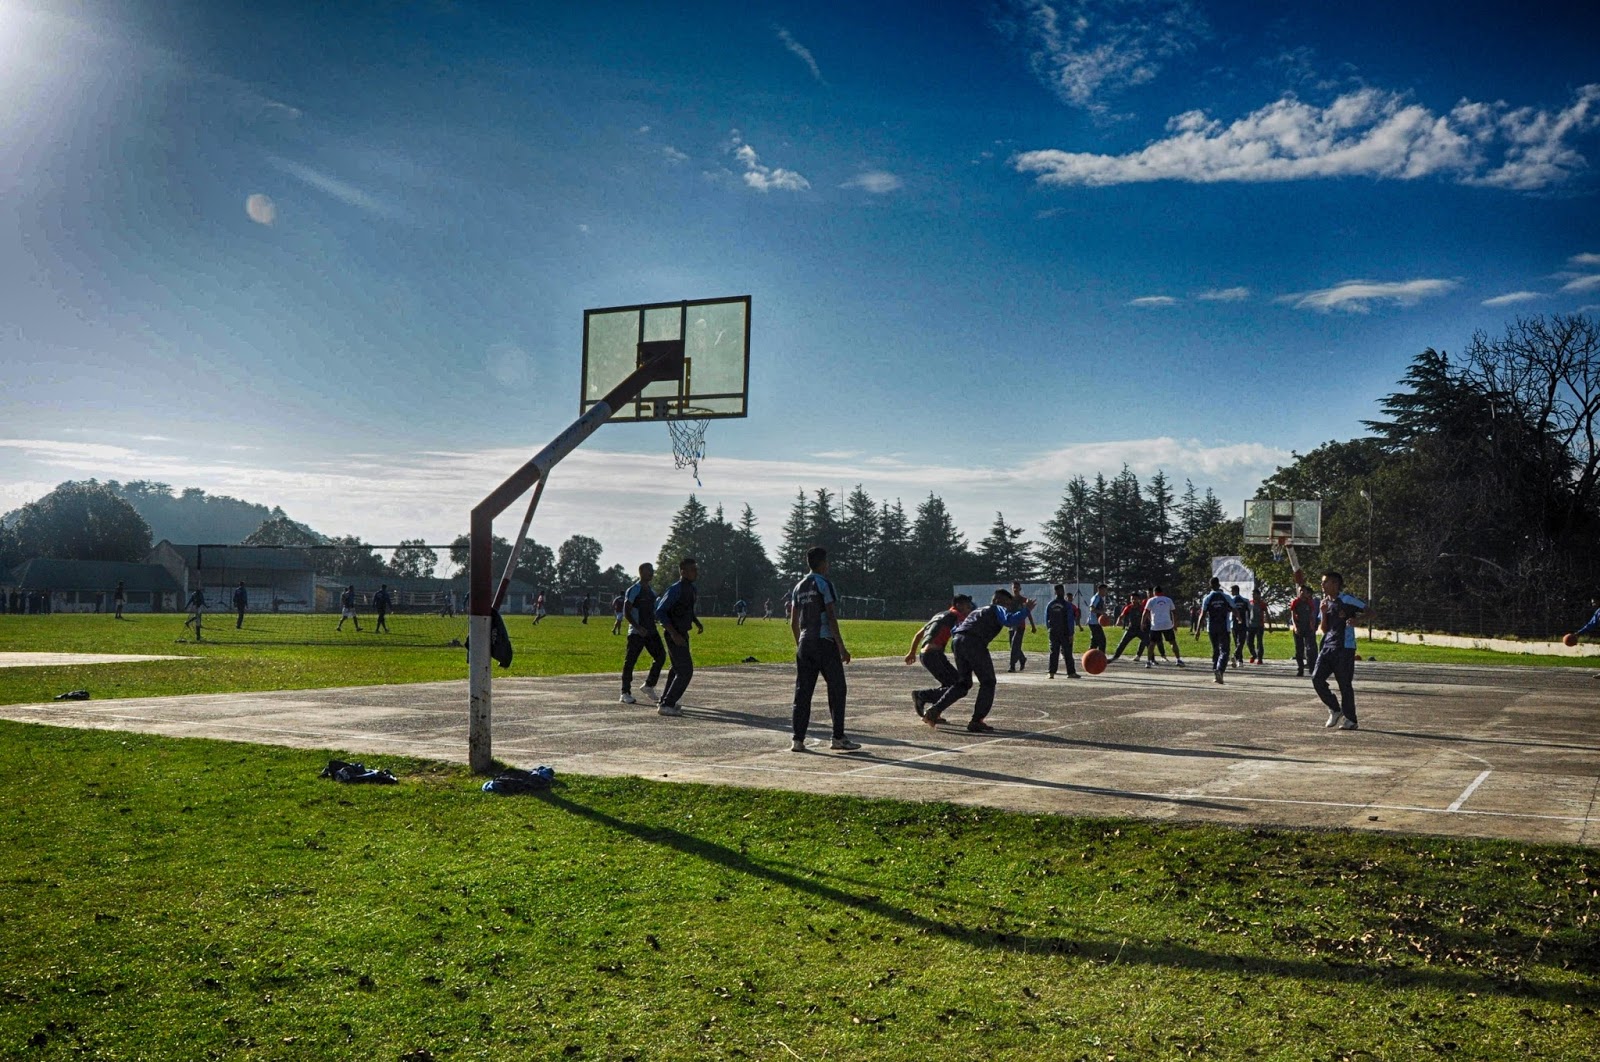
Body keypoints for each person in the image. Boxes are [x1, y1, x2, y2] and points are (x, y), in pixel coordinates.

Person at [923, 588, 1034, 732]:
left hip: (958, 641)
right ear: (998, 601)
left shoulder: (976, 611)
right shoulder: (997, 608)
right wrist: (1026, 610)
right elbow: (1010, 621)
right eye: (1007, 604)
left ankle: (934, 711)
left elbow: (957, 628)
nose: (1008, 608)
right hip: (974, 642)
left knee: (963, 683)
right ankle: (977, 720)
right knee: (988, 682)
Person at [789, 547, 861, 752]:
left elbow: (793, 622)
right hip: (824, 642)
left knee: (803, 692)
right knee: (838, 688)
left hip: (805, 643)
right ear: (822, 563)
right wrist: (841, 647)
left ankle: (798, 739)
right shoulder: (823, 583)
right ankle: (838, 737)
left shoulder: (798, 587)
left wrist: (800, 645)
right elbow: (830, 616)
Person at [905, 594, 975, 717]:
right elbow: (961, 638)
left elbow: (919, 634)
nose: (969, 609)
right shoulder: (956, 616)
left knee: (951, 685)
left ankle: (934, 712)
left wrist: (912, 652)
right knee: (959, 686)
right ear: (958, 605)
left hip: (926, 655)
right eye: (967, 606)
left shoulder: (940, 615)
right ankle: (922, 696)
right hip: (933, 655)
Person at [1313, 571, 1366, 730]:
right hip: (1327, 646)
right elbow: (1324, 629)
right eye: (1322, 582)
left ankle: (1351, 720)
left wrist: (1358, 620)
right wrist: (1323, 613)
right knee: (1316, 678)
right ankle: (1335, 709)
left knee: (1344, 684)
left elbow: (1371, 612)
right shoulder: (1324, 602)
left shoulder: (1347, 600)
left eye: (1325, 582)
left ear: (1335, 584)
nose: (1322, 585)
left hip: (1344, 648)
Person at [653, 557, 704, 717]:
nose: (696, 572)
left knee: (676, 669)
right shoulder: (675, 589)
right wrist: (673, 633)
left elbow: (687, 609)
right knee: (685, 671)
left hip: (683, 633)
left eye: (696, 569)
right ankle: (667, 704)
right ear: (683, 572)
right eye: (692, 570)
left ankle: (665, 700)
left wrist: (696, 622)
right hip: (674, 634)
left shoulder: (692, 589)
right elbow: (660, 612)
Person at [619, 563, 664, 704]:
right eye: (648, 570)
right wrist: (638, 627)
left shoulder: (652, 592)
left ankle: (649, 685)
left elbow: (655, 611)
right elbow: (626, 612)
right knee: (630, 661)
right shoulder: (634, 590)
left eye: (652, 570)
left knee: (661, 656)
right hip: (636, 633)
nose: (651, 573)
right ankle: (625, 692)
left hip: (651, 631)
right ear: (641, 572)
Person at [1142, 585, 1185, 667]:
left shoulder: (1151, 600)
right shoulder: (1168, 600)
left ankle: (1148, 661)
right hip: (1167, 624)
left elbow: (1145, 612)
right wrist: (1174, 624)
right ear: (1162, 592)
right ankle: (1178, 659)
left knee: (1152, 644)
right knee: (1172, 642)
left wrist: (1142, 623)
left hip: (1155, 625)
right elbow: (1174, 612)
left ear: (1154, 592)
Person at [1045, 585, 1081, 678]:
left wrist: (1049, 629)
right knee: (1067, 652)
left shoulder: (1050, 605)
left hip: (1053, 631)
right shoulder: (1067, 605)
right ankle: (1071, 672)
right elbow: (1070, 620)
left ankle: (1051, 673)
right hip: (1064, 631)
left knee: (1054, 652)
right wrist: (1071, 633)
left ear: (1055, 592)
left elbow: (1047, 618)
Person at [1006, 579, 1038, 672]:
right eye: (1014, 588)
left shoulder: (1024, 600)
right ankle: (1022, 658)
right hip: (1012, 625)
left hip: (1020, 626)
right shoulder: (1010, 600)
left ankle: (1012, 666)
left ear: (1020, 589)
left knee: (1014, 644)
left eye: (1017, 588)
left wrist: (1033, 626)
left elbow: (1028, 613)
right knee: (1013, 645)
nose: (1015, 589)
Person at [1108, 591, 1147, 663]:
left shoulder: (1142, 608)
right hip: (1131, 629)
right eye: (1132, 599)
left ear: (1138, 599)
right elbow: (1122, 615)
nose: (1133, 601)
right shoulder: (1128, 607)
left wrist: (1145, 623)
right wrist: (1118, 621)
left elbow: (1146, 616)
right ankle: (1115, 657)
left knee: (1148, 642)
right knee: (1122, 643)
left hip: (1140, 629)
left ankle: (1151, 659)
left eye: (1135, 599)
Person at [1289, 583, 1320, 676]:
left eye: (1304, 591)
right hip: (1299, 627)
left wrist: (1313, 625)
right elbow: (1293, 615)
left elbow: (1312, 615)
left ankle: (1311, 668)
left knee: (1310, 649)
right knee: (1299, 649)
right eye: (1300, 591)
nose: (1302, 592)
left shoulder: (1309, 602)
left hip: (1308, 628)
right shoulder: (1295, 602)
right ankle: (1300, 669)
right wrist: (1295, 626)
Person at [1229, 585, 1250, 667]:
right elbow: (1249, 612)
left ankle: (1236, 657)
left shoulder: (1231, 601)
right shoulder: (1245, 601)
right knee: (1240, 642)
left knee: (1237, 642)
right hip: (1243, 624)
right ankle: (1239, 660)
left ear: (1235, 591)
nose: (1231, 592)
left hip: (1234, 624)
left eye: (1231, 591)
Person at [1246, 588, 1267, 664]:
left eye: (1254, 594)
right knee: (1249, 641)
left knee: (1259, 642)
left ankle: (1260, 658)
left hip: (1259, 625)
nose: (1253, 596)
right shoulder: (1250, 603)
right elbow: (1247, 613)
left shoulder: (1262, 604)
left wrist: (1270, 625)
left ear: (1258, 595)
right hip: (1251, 625)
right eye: (1252, 594)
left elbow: (1267, 614)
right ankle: (1253, 654)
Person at [1087, 583, 1109, 654]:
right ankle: (1101, 656)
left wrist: (1103, 610)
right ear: (1100, 590)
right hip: (1094, 622)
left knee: (1095, 642)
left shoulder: (1100, 598)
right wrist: (1102, 612)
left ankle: (1089, 656)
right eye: (1105, 590)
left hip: (1095, 622)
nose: (1106, 592)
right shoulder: (1096, 598)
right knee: (1102, 640)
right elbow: (1092, 609)